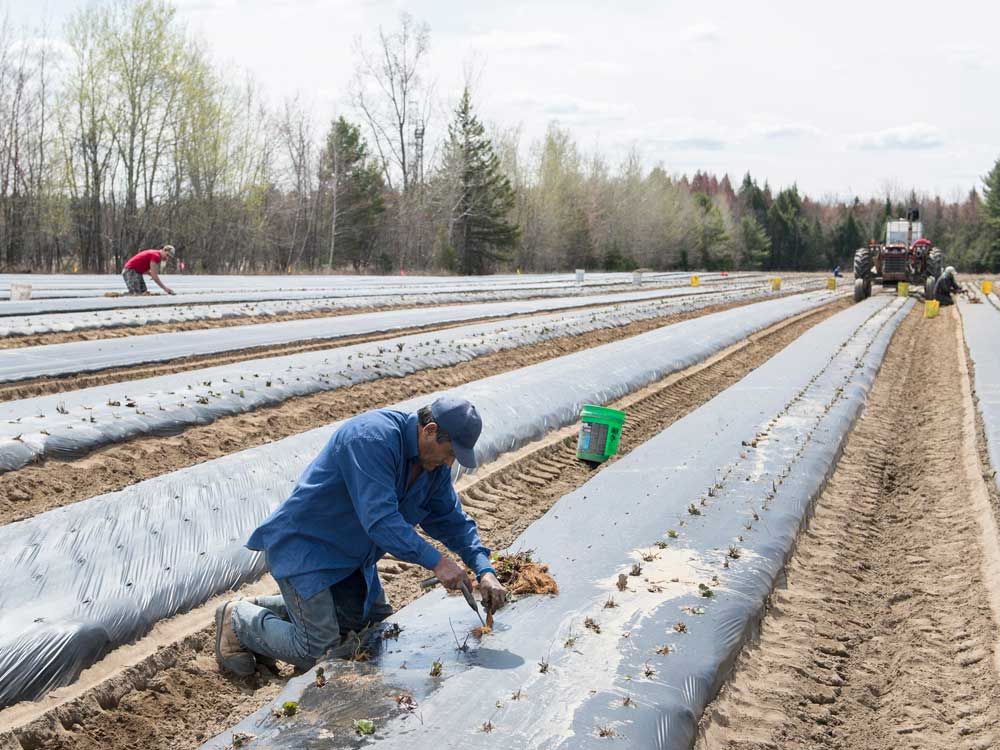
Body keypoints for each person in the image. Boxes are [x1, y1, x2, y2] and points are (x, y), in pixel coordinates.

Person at [215, 396, 508, 676]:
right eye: (450, 454)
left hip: (352, 558)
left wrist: (484, 569)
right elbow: (381, 521)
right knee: (318, 651)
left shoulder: (433, 468)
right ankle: (238, 618)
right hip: (307, 551)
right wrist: (438, 562)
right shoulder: (371, 439)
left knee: (371, 629)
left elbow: (452, 521)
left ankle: (280, 609)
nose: (449, 464)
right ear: (430, 431)